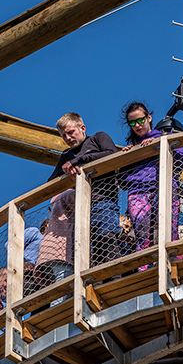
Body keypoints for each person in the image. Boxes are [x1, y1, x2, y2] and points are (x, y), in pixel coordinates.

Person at [49, 112, 123, 265]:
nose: (68, 138)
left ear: (82, 128)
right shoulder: (66, 155)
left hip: (103, 201)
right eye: (64, 136)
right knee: (83, 253)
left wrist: (80, 160)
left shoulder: (98, 139)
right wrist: (66, 172)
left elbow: (112, 154)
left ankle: (115, 278)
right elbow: (51, 182)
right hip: (81, 210)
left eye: (71, 133)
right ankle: (93, 286)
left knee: (107, 240)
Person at [120, 101, 183, 252]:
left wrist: (160, 144)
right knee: (143, 235)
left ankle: (171, 265)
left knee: (168, 232)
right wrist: (128, 156)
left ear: (149, 118)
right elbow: (123, 180)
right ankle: (144, 269)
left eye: (140, 120)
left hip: (164, 187)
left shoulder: (165, 136)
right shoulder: (132, 148)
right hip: (138, 192)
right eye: (132, 122)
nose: (137, 125)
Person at [33, 190, 76, 288]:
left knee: (62, 286)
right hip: (59, 253)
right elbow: (78, 196)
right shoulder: (67, 196)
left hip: (51, 255)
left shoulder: (58, 207)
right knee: (64, 285)